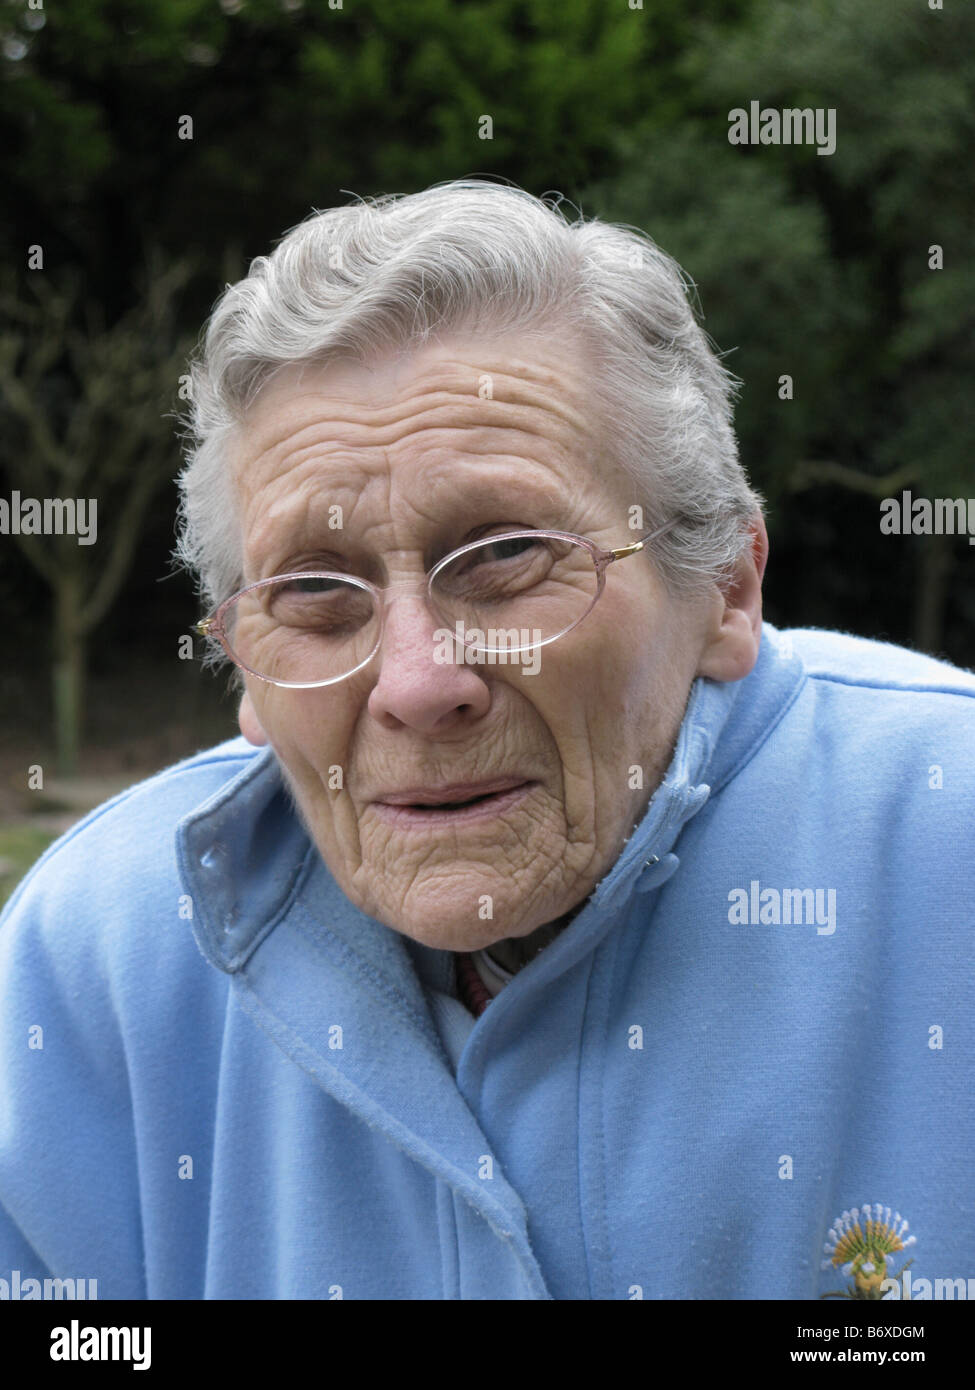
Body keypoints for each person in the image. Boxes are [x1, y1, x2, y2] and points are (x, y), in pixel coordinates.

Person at [1, 181, 972, 1301]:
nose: (418, 683)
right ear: (245, 668)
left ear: (727, 587)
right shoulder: (91, 960)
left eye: (506, 555)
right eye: (316, 594)